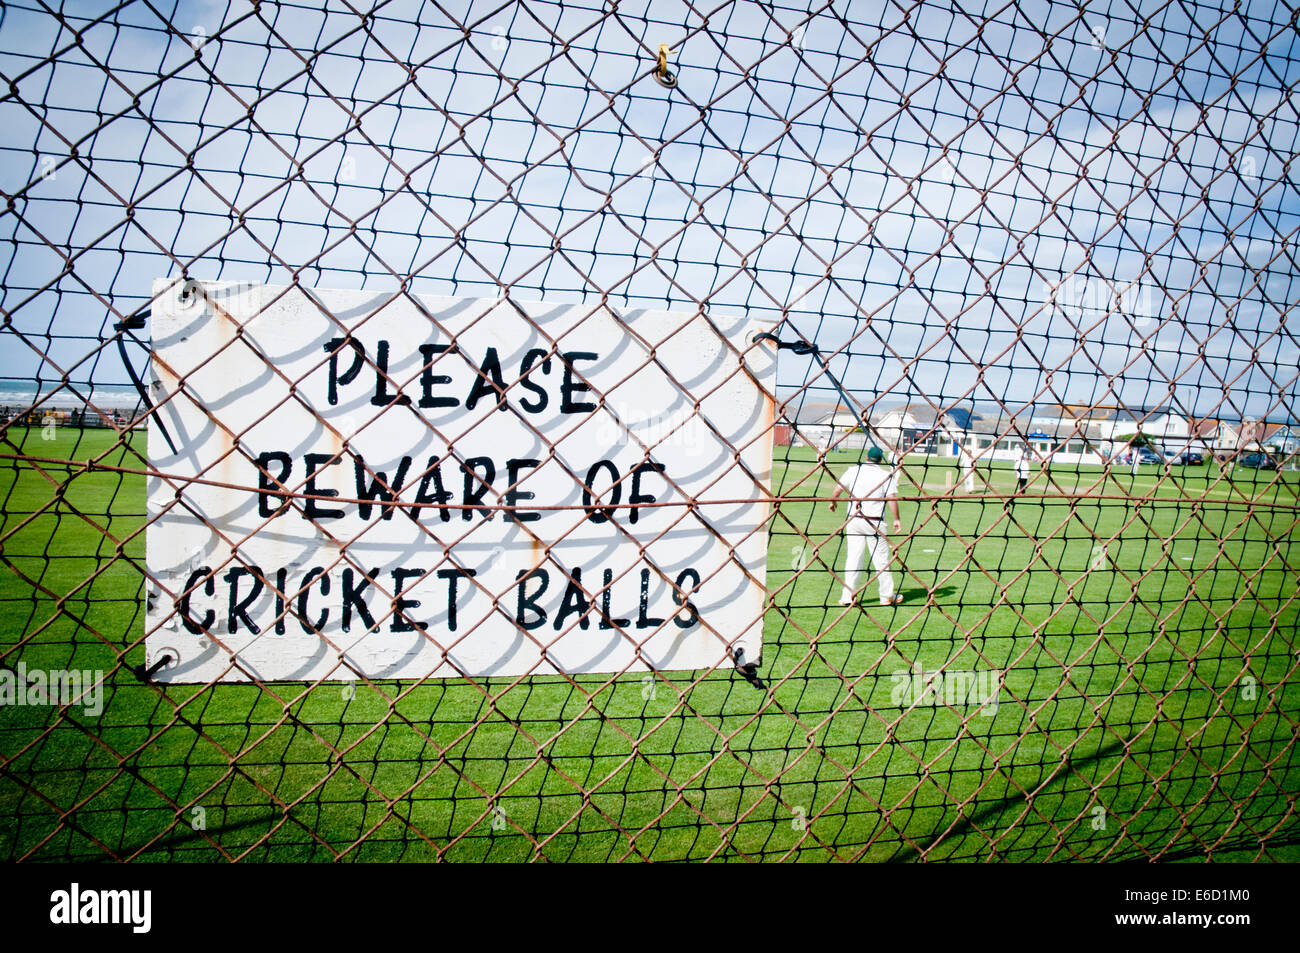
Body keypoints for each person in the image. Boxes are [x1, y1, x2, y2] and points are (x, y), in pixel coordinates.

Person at [828, 446, 903, 606]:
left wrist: (833, 501)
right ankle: (887, 596)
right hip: (874, 522)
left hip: (854, 520)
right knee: (881, 560)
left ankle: (847, 597)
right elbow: (891, 498)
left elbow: (837, 489)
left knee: (854, 558)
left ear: (867, 457)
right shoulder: (885, 475)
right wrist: (897, 519)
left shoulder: (853, 470)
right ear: (881, 460)